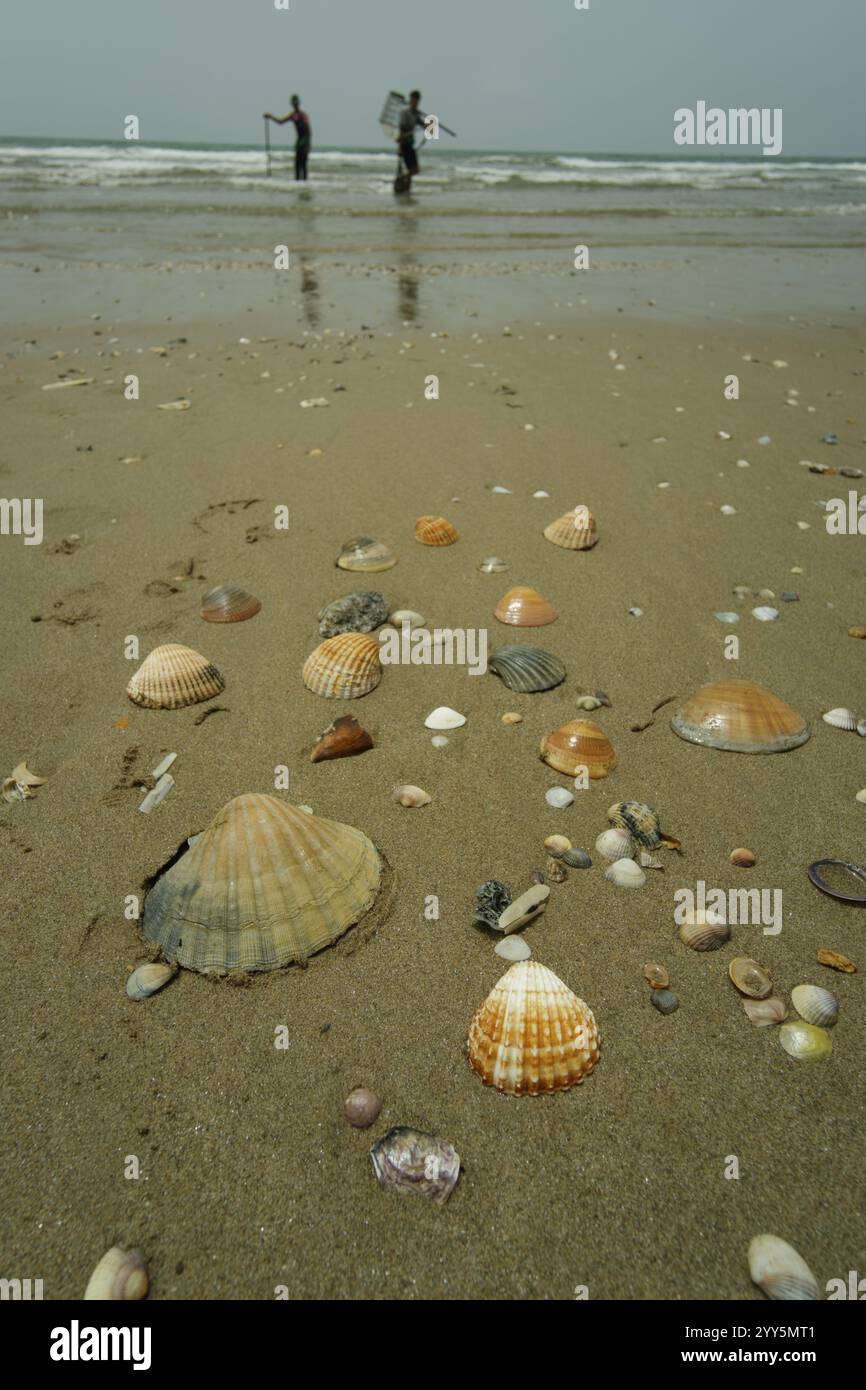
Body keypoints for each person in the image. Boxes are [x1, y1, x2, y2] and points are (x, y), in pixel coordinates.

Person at [263, 95, 312, 181]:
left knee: (303, 165)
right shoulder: (293, 115)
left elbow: (308, 130)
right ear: (292, 104)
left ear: (298, 104)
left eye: (296, 103)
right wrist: (270, 117)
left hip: (305, 140)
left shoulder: (303, 115)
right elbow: (280, 122)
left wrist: (308, 144)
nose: (295, 105)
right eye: (293, 103)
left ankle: (304, 185)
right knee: (297, 165)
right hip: (299, 141)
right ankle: (298, 185)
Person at [397, 90, 426, 191]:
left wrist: (430, 125)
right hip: (404, 144)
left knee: (413, 170)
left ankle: (407, 189)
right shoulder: (405, 113)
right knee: (414, 170)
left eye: (417, 101)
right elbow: (401, 129)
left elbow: (422, 124)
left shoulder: (415, 114)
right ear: (411, 100)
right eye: (414, 100)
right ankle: (402, 179)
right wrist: (400, 148)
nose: (415, 103)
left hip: (411, 144)